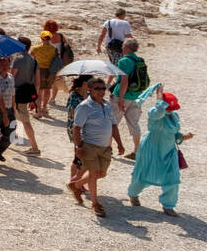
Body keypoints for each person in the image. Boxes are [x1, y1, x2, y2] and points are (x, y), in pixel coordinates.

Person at [127, 86, 189, 217]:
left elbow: (174, 133)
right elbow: (160, 111)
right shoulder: (154, 113)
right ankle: (133, 194)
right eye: (169, 108)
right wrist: (159, 94)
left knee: (173, 178)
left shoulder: (174, 116)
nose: (170, 110)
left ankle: (168, 205)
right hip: (151, 151)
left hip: (169, 152)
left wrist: (182, 137)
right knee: (142, 176)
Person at [71, 77, 125, 217]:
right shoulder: (84, 107)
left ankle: (76, 185)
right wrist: (79, 147)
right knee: (94, 174)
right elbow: (76, 128)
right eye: (97, 88)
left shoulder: (107, 105)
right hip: (89, 145)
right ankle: (95, 204)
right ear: (89, 90)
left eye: (103, 88)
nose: (101, 91)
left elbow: (113, 125)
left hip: (105, 146)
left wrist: (119, 143)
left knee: (102, 173)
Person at [112, 37, 149, 160]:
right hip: (137, 95)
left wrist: (121, 98)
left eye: (123, 46)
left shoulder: (124, 61)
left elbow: (124, 81)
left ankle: (108, 149)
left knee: (112, 121)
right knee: (134, 123)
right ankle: (136, 150)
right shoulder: (140, 60)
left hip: (123, 95)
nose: (122, 47)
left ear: (127, 48)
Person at [10, 37, 41, 154]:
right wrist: (34, 99)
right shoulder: (34, 60)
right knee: (15, 116)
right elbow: (37, 82)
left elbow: (11, 77)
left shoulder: (18, 59)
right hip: (27, 93)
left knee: (25, 121)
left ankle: (35, 147)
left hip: (16, 94)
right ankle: (11, 135)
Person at [31, 30, 59, 118]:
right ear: (50, 38)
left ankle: (38, 111)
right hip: (51, 72)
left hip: (40, 71)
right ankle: (45, 108)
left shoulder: (36, 48)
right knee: (47, 90)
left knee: (39, 91)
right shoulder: (55, 49)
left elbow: (31, 60)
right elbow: (57, 61)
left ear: (41, 38)